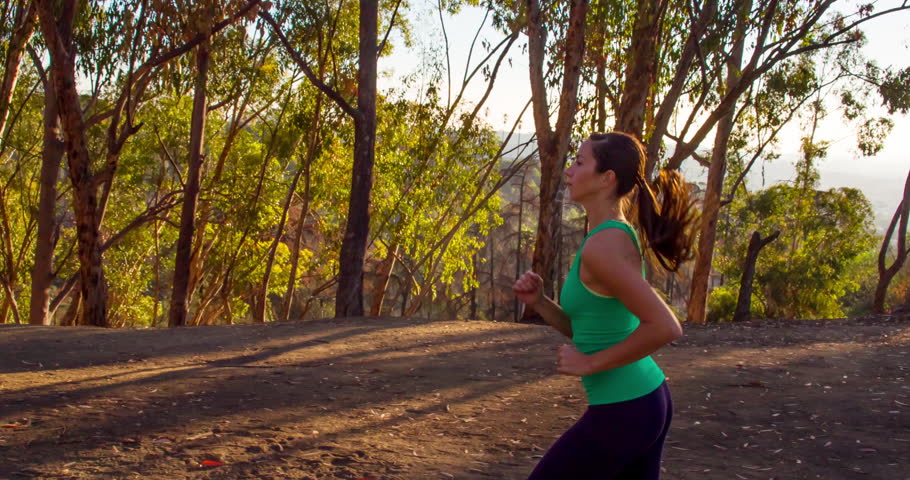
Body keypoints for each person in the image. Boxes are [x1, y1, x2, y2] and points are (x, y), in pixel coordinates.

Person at [512, 131, 698, 479]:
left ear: (606, 178)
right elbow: (588, 327)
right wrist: (540, 303)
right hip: (642, 401)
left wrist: (591, 363)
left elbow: (666, 326)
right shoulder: (610, 234)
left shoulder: (605, 245)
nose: (569, 170)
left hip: (626, 409)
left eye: (580, 162)